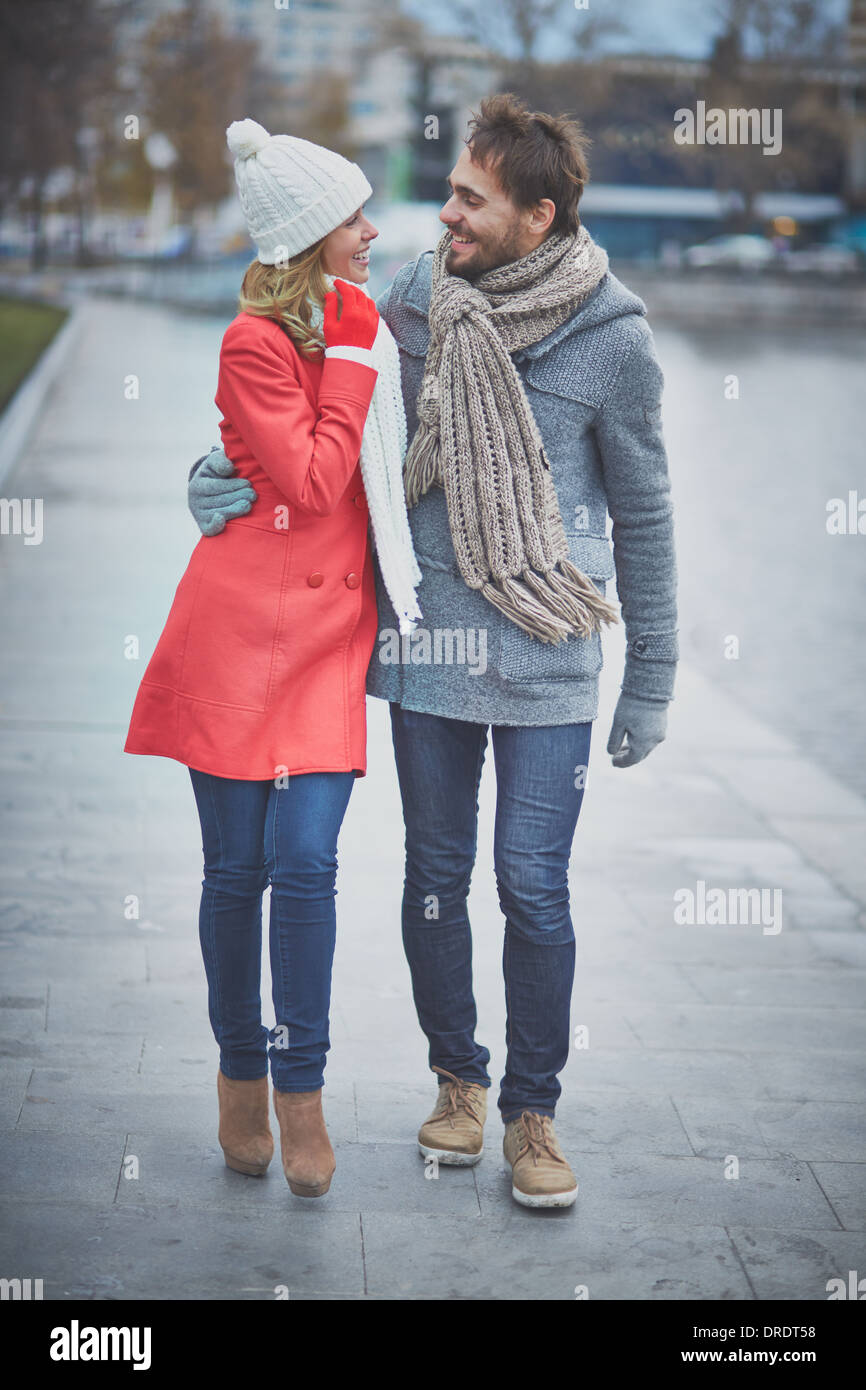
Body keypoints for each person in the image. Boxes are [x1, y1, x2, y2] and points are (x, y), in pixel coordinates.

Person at [189, 95, 679, 1210]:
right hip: (428, 646)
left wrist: (649, 673)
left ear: (537, 215)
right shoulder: (409, 301)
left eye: (469, 198)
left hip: (551, 652)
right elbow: (301, 403)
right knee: (434, 880)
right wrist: (213, 480)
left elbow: (645, 515)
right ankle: (459, 1082)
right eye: (449, 192)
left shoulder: (613, 339)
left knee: (532, 886)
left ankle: (532, 1112)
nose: (442, 214)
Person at [125, 118, 420, 1198]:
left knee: (306, 864)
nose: (370, 231)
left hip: (325, 644)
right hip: (237, 634)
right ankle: (240, 1077)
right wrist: (343, 360)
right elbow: (305, 477)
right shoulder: (257, 342)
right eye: (352, 217)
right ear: (309, 236)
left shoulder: (372, 328)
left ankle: (304, 1086)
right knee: (233, 872)